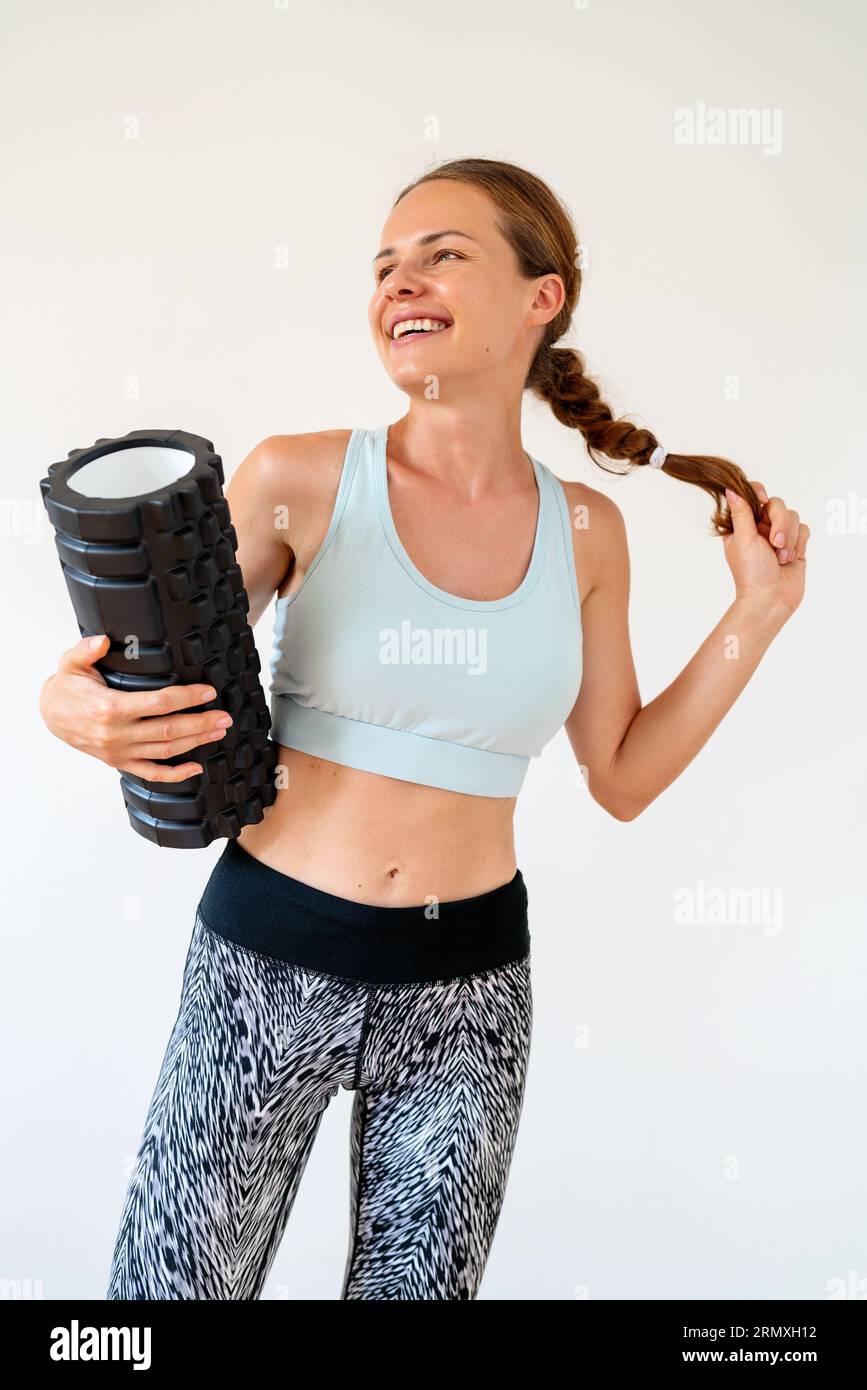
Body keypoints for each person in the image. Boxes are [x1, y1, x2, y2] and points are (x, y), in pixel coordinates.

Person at [38, 156, 809, 1300]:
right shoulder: (298, 476)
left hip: (471, 987)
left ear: (541, 297)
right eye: (385, 264)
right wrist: (69, 705)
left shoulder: (588, 530)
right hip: (265, 958)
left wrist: (761, 612)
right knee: (163, 1304)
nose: (402, 280)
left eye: (444, 252)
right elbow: (155, 655)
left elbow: (624, 773)